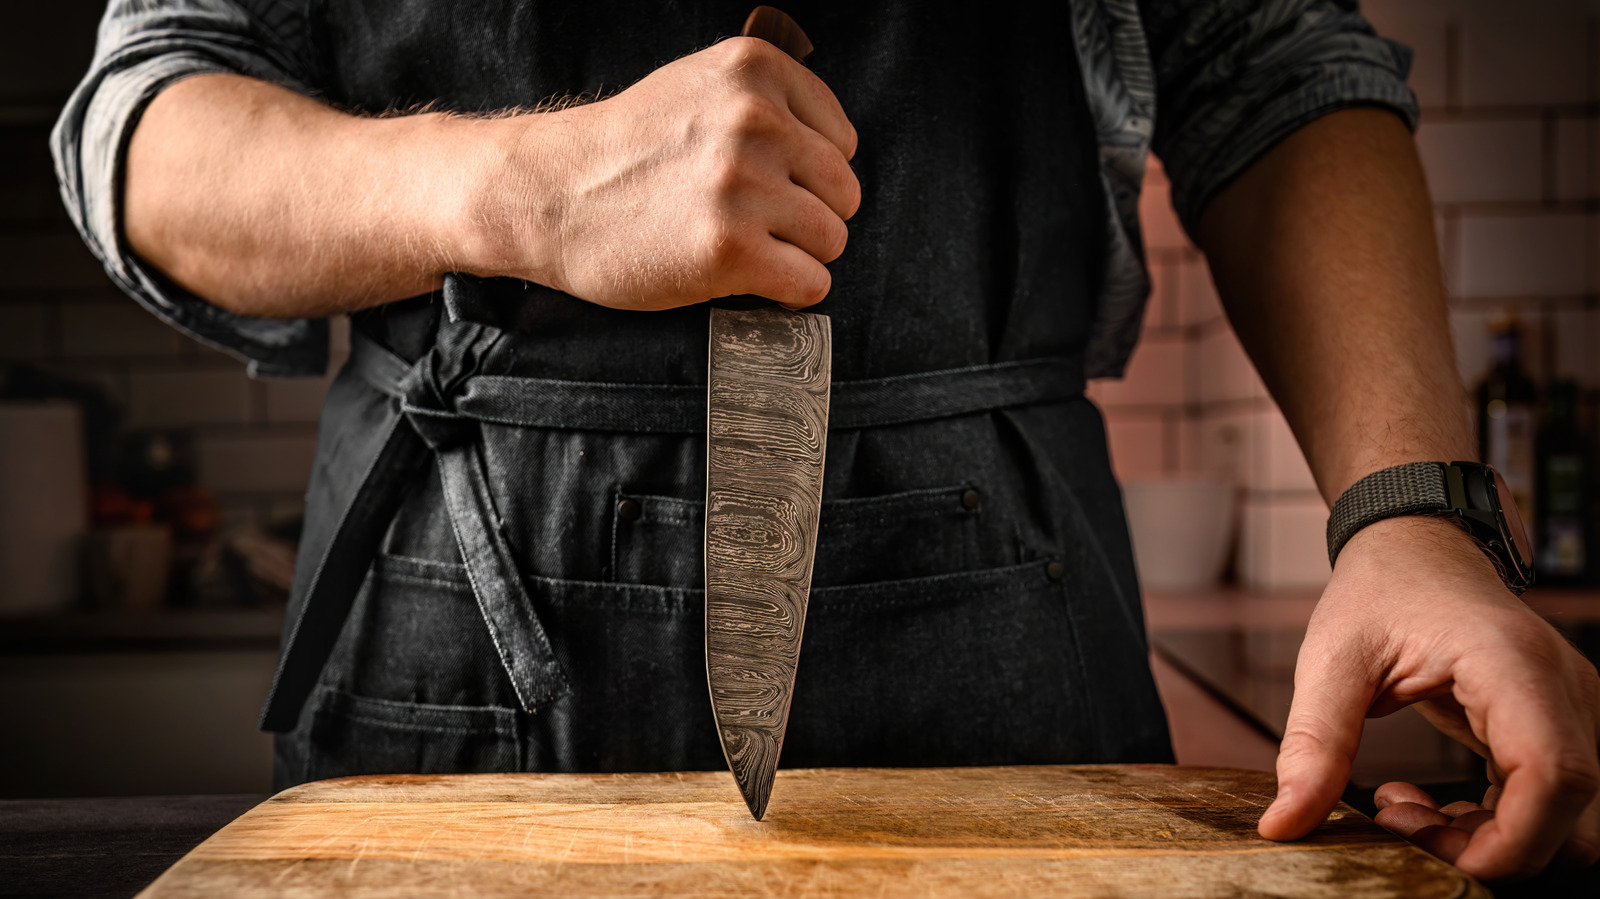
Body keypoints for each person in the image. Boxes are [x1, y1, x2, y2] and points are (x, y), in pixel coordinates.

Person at [53, 0, 1599, 882]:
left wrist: (1413, 514)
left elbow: (1267, 56)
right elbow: (147, 121)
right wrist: (522, 190)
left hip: (1007, 604)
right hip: (439, 622)